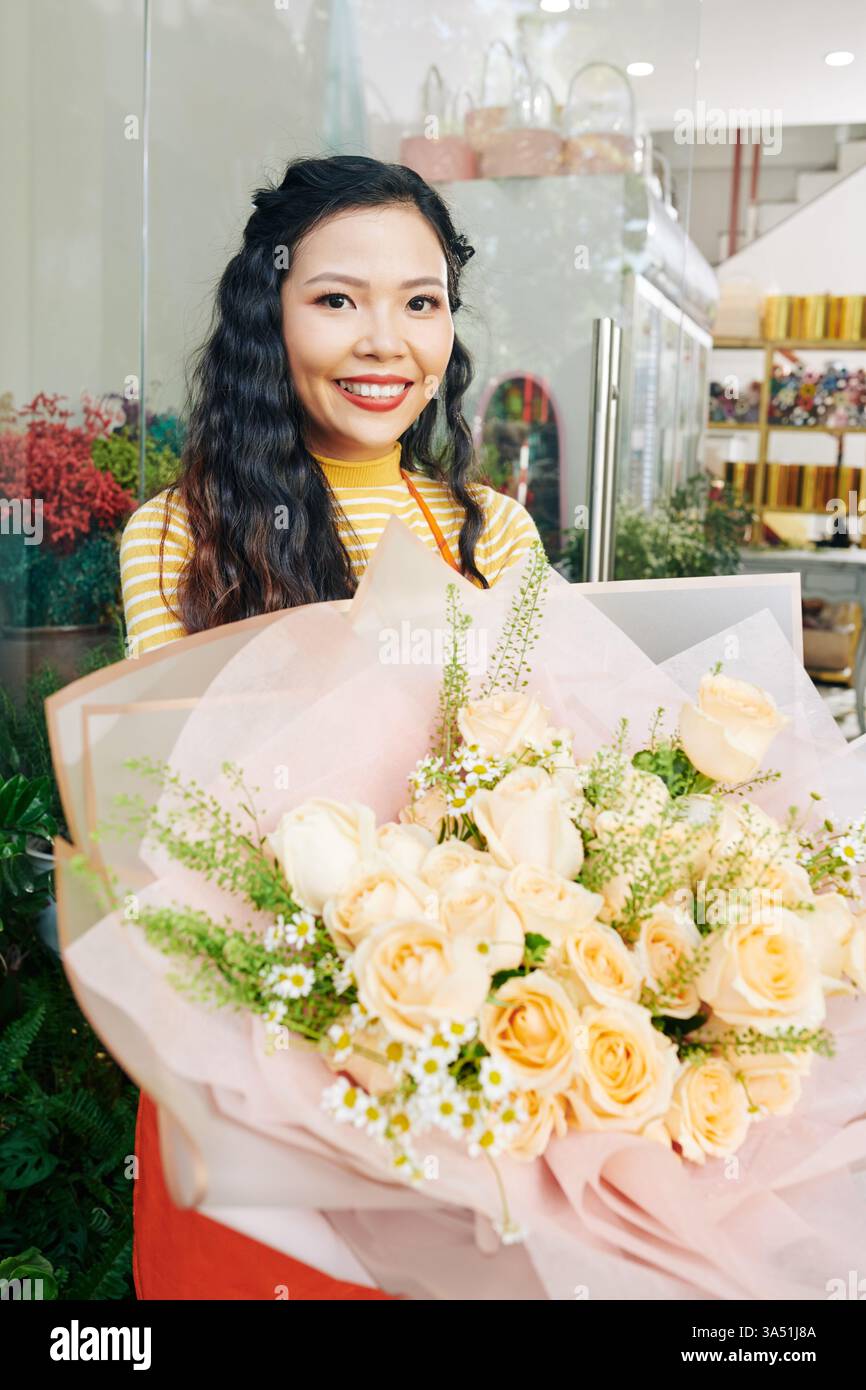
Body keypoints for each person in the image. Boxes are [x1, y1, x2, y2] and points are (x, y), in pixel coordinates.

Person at [119, 153, 545, 1299]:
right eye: (335, 299)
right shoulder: (183, 536)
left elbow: (533, 788)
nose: (384, 341)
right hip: (249, 1040)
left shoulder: (492, 537)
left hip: (445, 1041)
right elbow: (177, 824)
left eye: (420, 303)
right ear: (270, 309)